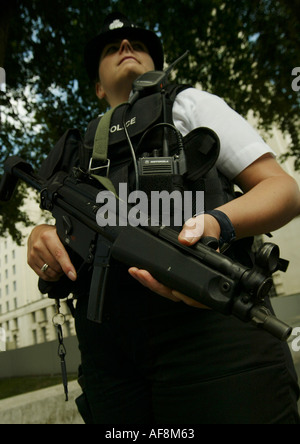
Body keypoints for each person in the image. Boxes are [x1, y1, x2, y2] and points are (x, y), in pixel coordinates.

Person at [27, 12, 300, 424]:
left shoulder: (189, 104)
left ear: (156, 68)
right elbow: (67, 243)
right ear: (98, 87)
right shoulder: (77, 149)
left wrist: (214, 225)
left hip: (208, 323)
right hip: (110, 356)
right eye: (111, 47)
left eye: (137, 45)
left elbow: (282, 190)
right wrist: (44, 240)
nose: (124, 47)